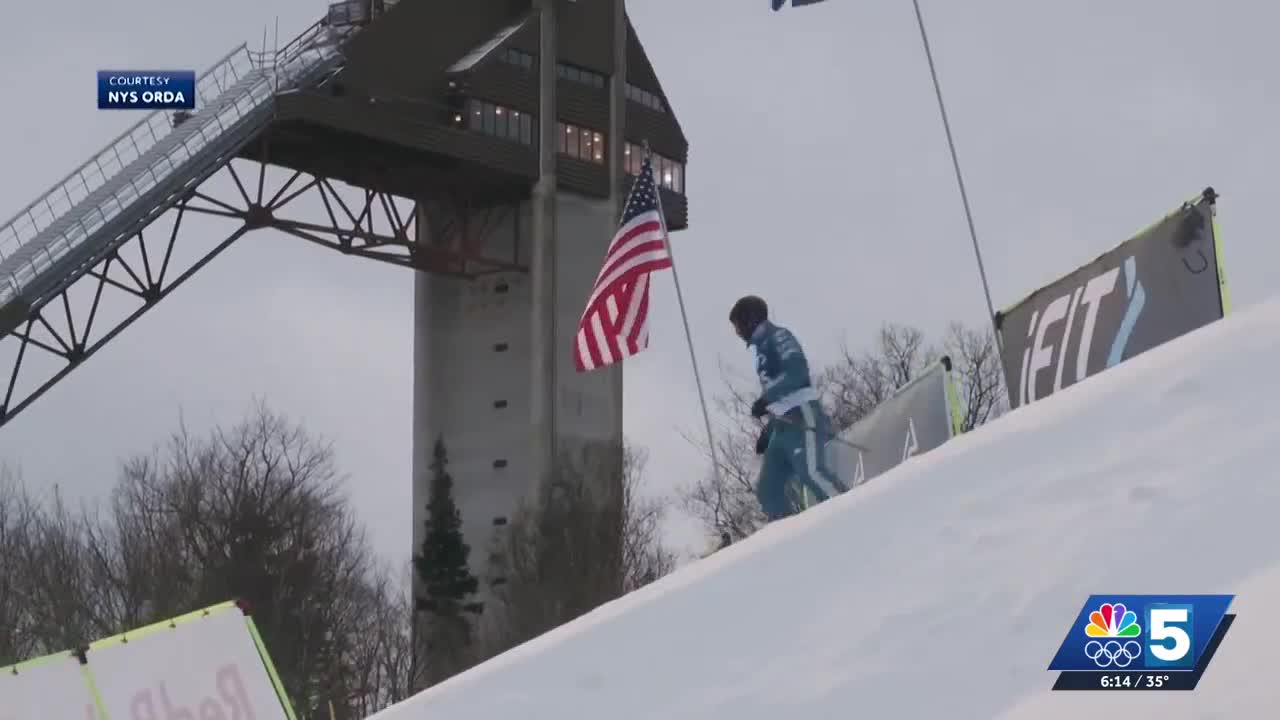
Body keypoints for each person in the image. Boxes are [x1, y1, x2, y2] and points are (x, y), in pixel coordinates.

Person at [729, 295, 846, 521]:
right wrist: (769, 430)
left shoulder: (779, 336)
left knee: (812, 472)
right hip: (783, 426)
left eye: (738, 325)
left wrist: (766, 398)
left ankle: (853, 512)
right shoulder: (761, 349)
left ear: (751, 320)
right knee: (768, 490)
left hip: (802, 415)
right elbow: (779, 396)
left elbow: (797, 371)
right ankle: (794, 535)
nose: (738, 332)